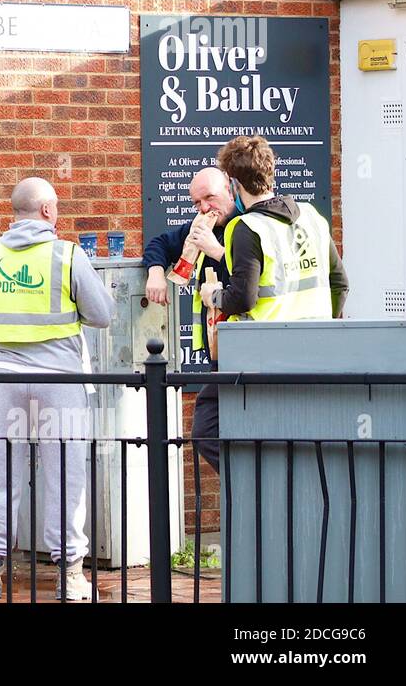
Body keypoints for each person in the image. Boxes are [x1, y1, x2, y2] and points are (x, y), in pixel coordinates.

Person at [0, 177, 115, 601]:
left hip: (3, 383)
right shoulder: (68, 255)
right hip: (60, 384)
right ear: (48, 211)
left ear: (15, 211)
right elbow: (102, 315)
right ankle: (70, 575)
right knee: (65, 477)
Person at [199, 135, 348, 379]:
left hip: (260, 357)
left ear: (234, 183)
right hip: (316, 354)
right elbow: (340, 285)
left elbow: (242, 299)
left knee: (208, 411)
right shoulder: (311, 216)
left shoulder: (247, 227)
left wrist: (212, 296)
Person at [141, 168, 235, 471]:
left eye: (210, 197)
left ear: (230, 189)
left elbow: (254, 282)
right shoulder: (199, 227)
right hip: (221, 351)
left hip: (250, 348)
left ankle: (249, 488)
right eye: (197, 203)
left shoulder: (248, 226)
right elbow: (159, 244)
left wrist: (216, 251)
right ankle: (247, 488)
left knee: (211, 430)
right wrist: (156, 271)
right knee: (209, 432)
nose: (204, 208)